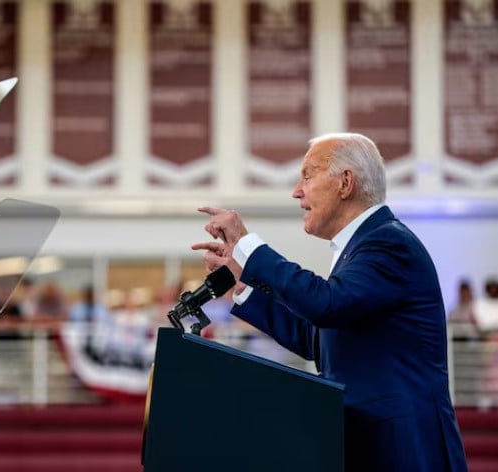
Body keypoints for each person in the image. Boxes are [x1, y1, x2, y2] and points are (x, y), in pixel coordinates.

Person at [193, 133, 467, 471]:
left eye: (308, 175)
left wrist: (248, 247)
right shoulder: (364, 248)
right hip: (371, 442)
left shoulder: (388, 243)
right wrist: (241, 283)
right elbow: (315, 338)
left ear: (345, 182)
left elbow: (326, 304)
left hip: (404, 447)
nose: (296, 191)